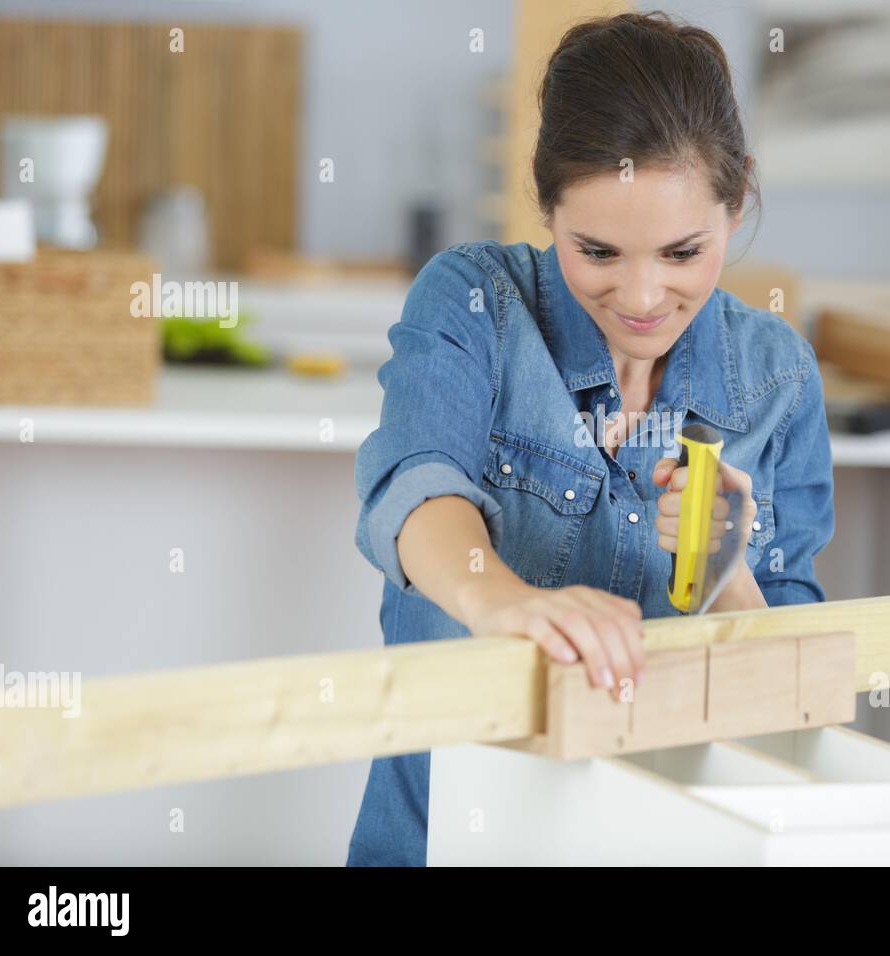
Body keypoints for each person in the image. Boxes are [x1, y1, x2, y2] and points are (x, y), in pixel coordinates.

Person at [346, 10, 835, 866]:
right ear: (546, 209)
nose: (642, 296)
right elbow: (415, 481)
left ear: (738, 199)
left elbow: (793, 705)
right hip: (440, 837)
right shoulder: (474, 303)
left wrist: (729, 579)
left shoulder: (778, 378)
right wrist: (505, 602)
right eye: (599, 251)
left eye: (683, 252)